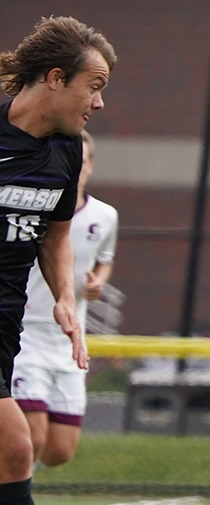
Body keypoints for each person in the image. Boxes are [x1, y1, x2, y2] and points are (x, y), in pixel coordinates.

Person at [0, 16, 111, 505]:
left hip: (6, 326)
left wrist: (65, 298)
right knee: (14, 447)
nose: (98, 102)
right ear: (54, 78)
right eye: (92, 86)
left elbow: (57, 233)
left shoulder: (65, 151)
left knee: (13, 449)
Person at [15, 130, 117, 473]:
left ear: (90, 166)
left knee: (59, 451)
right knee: (32, 438)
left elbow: (104, 260)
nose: (77, 168)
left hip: (70, 339)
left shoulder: (105, 216)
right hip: (27, 334)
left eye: (84, 161)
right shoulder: (36, 208)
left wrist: (98, 283)